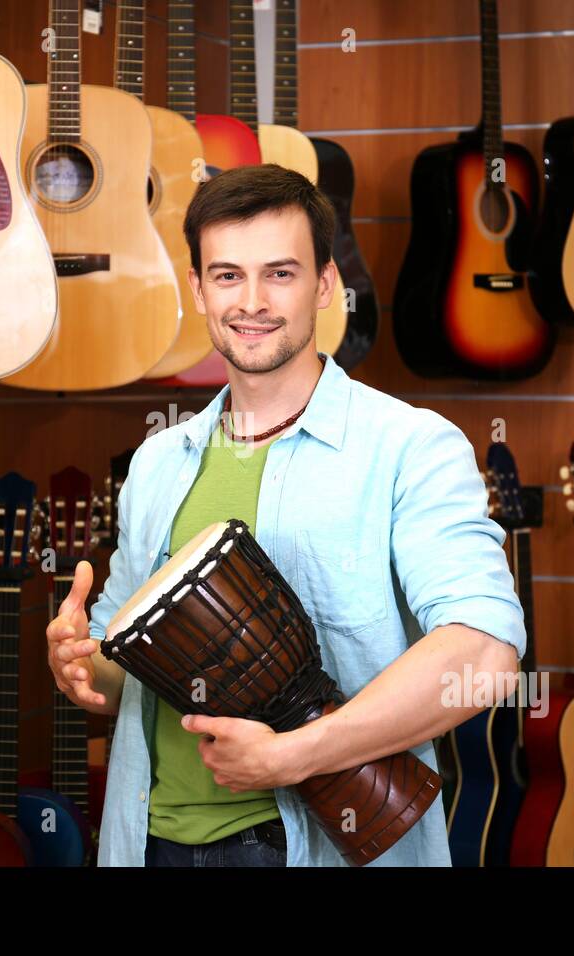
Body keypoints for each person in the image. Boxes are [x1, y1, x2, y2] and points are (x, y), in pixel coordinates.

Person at [45, 163, 526, 866]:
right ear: (199, 289)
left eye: (281, 273)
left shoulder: (409, 446)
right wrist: (80, 664)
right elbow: (126, 674)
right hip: (149, 840)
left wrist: (294, 756)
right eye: (229, 275)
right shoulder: (156, 463)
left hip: (309, 846)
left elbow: (485, 655)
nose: (252, 301)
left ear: (326, 283)